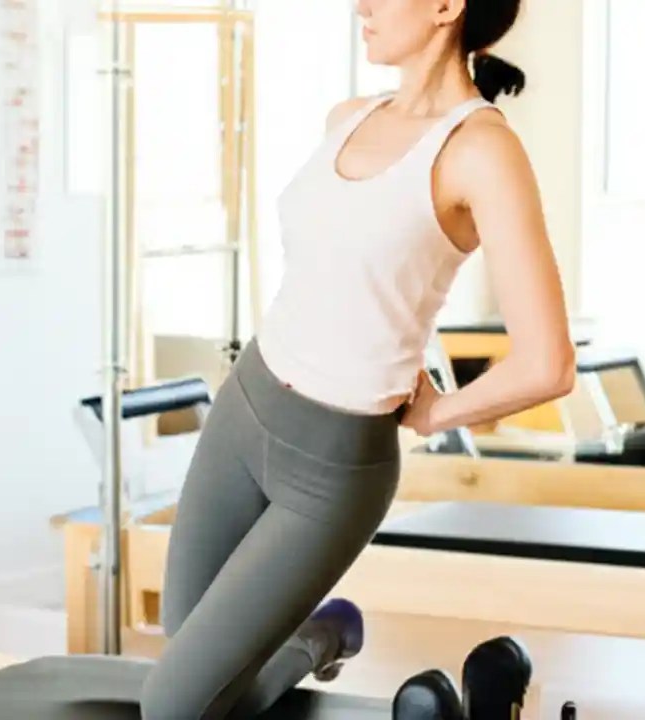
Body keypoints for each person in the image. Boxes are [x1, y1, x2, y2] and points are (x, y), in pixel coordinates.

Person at [139, 1, 575, 717]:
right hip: (246, 406)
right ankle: (322, 635)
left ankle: (314, 640)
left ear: (446, 6)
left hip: (332, 467)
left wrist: (438, 414)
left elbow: (548, 362)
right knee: (194, 657)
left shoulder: (480, 150)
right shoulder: (346, 115)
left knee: (173, 707)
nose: (360, 5)